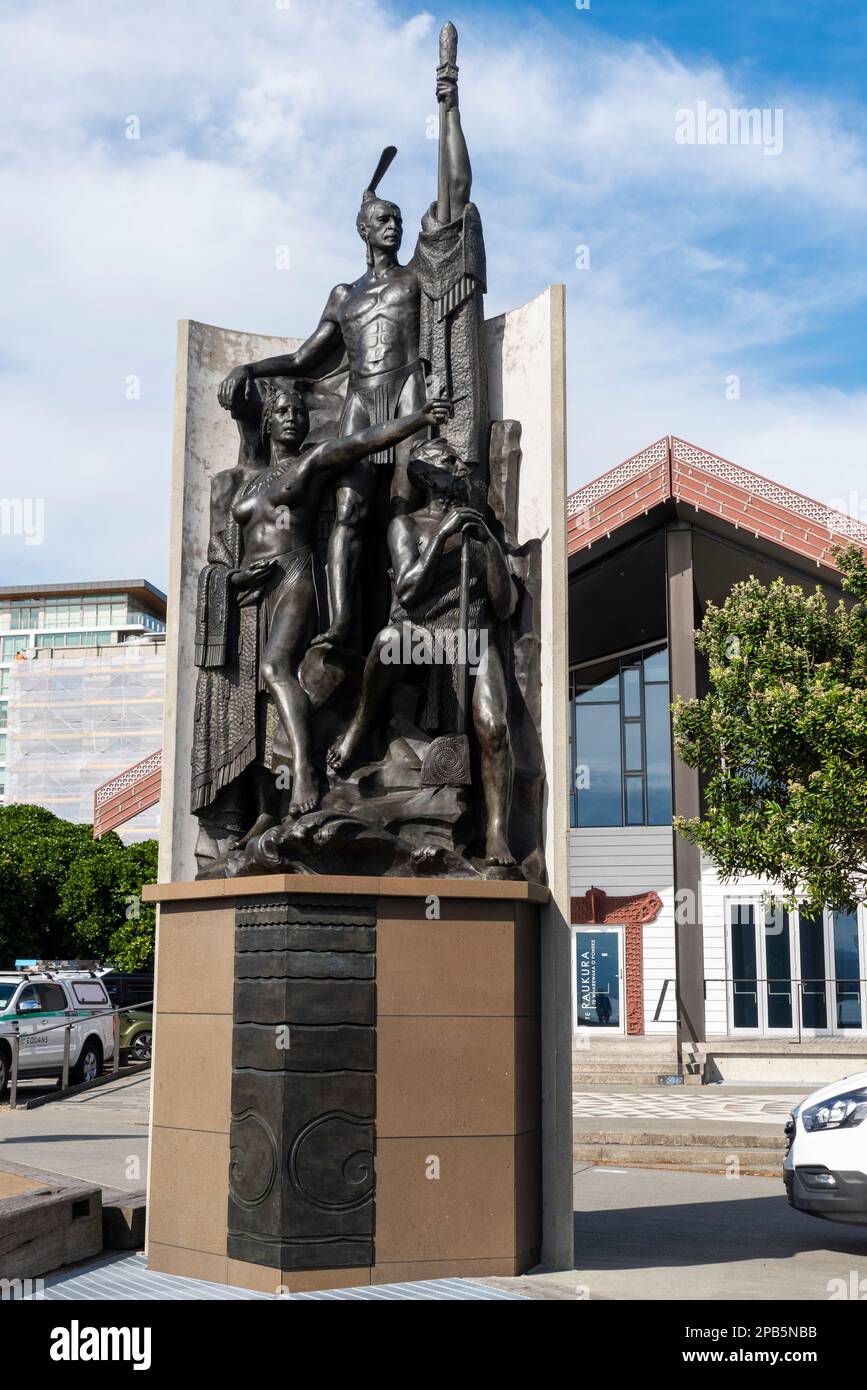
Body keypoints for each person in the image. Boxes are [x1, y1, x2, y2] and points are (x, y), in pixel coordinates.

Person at [216, 61, 484, 651]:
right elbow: (308, 359)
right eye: (383, 220)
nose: (393, 226)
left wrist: (450, 107)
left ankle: (406, 631)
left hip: (408, 391)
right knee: (347, 513)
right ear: (363, 230)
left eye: (395, 220)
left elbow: (455, 194)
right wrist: (250, 368)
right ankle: (339, 625)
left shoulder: (417, 278)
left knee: (400, 511)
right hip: (363, 403)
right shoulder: (345, 295)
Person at [229, 385, 451, 818]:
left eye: (299, 411)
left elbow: (360, 442)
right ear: (268, 422)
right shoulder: (251, 480)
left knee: (275, 668)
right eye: (283, 412)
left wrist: (417, 419)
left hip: (293, 573)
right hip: (252, 593)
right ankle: (265, 809)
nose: (293, 417)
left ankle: (306, 773)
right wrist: (236, 577)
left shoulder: (310, 463)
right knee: (262, 693)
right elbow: (236, 541)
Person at [327, 436, 516, 865]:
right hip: (423, 634)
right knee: (389, 641)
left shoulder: (478, 531)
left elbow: (505, 605)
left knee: (494, 727)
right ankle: (360, 726)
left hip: (470, 639)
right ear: (428, 474)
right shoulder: (407, 526)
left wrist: (486, 541)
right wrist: (444, 534)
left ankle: (497, 835)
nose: (461, 467)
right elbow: (409, 590)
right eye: (450, 460)